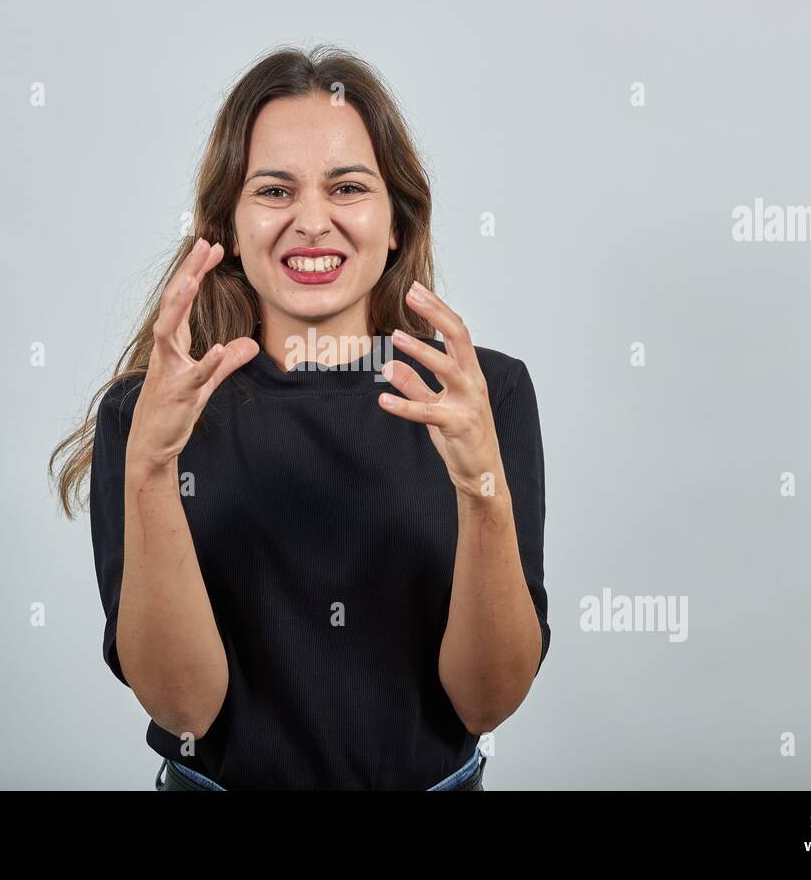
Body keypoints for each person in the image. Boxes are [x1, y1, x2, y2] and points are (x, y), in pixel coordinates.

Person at [50, 44, 550, 790]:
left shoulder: (483, 395)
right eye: (275, 191)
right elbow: (185, 710)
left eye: (347, 187)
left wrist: (483, 490)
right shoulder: (149, 412)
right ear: (228, 228)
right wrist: (152, 470)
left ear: (395, 224)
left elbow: (486, 700)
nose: (311, 222)